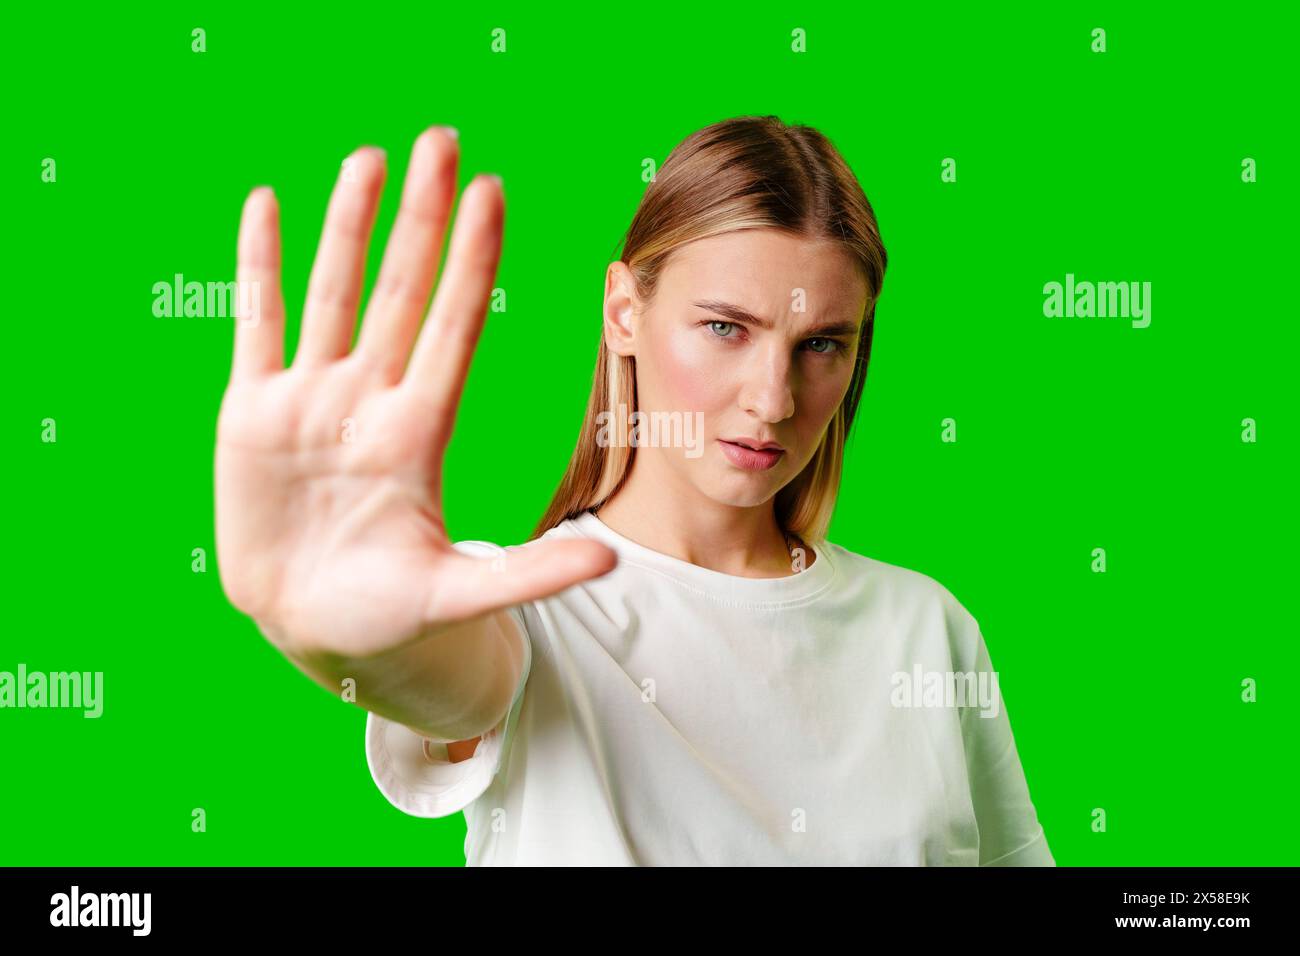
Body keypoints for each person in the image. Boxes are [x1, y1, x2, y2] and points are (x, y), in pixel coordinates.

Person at [215, 115, 1054, 866]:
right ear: (623, 311)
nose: (772, 398)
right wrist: (346, 640)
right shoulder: (525, 615)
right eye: (726, 327)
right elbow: (443, 676)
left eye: (823, 344)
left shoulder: (926, 628)